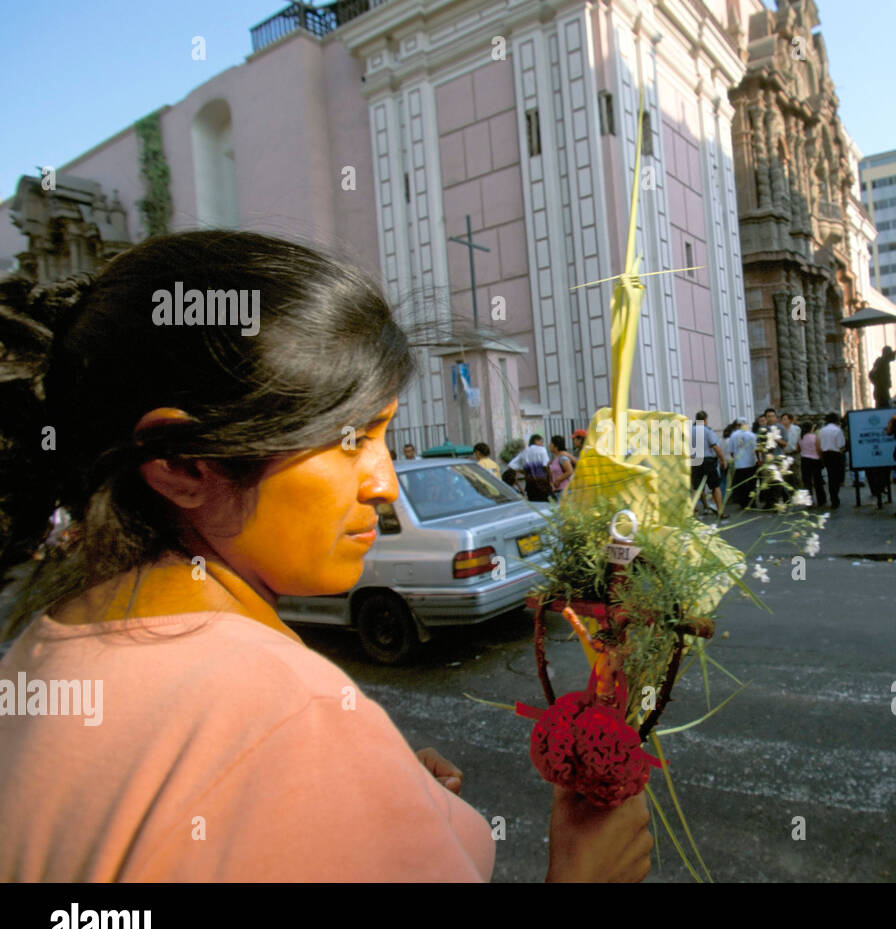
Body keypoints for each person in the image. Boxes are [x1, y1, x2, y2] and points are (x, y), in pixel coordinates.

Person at [0, 230, 650, 882]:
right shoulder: (280, 717)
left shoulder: (42, 645)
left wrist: (366, 789)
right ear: (182, 461)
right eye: (350, 438)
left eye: (385, 434)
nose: (385, 482)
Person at [689, 411, 728, 519]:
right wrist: (723, 460)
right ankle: (720, 511)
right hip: (708, 462)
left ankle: (690, 511)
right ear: (705, 419)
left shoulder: (691, 431)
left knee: (697, 488)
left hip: (695, 461)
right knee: (715, 486)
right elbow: (714, 446)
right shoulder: (707, 431)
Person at [508, 434, 554, 501]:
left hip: (530, 485)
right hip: (543, 484)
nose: (542, 444)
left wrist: (524, 472)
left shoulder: (524, 451)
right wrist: (551, 481)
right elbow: (546, 466)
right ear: (536, 441)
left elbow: (511, 465)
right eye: (541, 442)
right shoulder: (542, 450)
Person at [727, 420, 760, 510]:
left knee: (741, 484)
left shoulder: (733, 435)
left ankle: (743, 503)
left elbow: (731, 452)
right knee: (751, 484)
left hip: (739, 464)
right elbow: (756, 449)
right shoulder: (752, 435)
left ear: (737, 425)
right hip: (751, 463)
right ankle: (752, 502)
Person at [817, 412, 847, 510]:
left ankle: (833, 498)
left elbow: (819, 444)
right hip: (836, 454)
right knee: (836, 477)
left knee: (830, 476)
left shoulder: (822, 430)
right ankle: (835, 498)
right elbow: (841, 444)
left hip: (826, 454)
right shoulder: (837, 430)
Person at [797, 419, 824, 507]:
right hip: (815, 460)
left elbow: (798, 449)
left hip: (805, 460)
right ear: (811, 428)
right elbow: (819, 449)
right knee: (818, 481)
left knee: (807, 482)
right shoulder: (815, 437)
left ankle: (809, 501)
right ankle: (821, 500)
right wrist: (821, 458)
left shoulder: (800, 438)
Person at [779, 412, 803, 489]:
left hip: (794, 454)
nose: (783, 421)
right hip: (784, 454)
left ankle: (799, 492)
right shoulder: (780, 429)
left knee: (797, 476)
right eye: (782, 419)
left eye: (785, 419)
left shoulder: (796, 429)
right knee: (785, 476)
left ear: (790, 420)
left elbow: (799, 440)